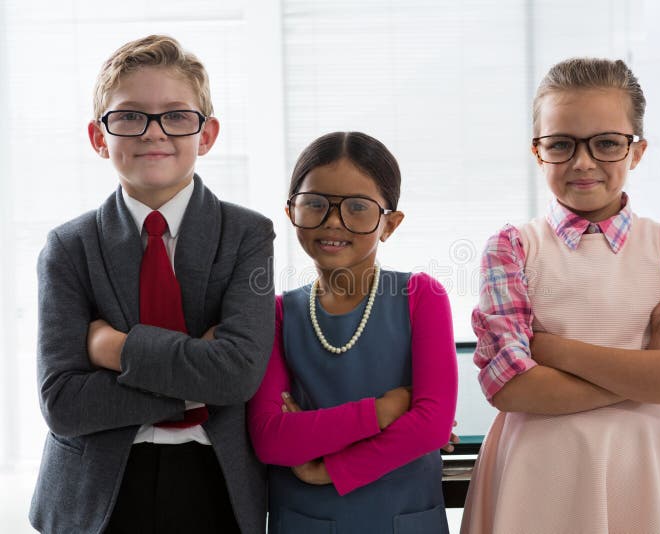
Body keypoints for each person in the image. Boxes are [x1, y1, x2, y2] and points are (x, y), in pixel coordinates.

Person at [461, 58, 660, 534]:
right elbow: (511, 388)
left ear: (637, 151)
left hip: (644, 471)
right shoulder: (511, 248)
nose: (583, 162)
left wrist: (550, 349)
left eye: (606, 143)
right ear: (538, 152)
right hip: (537, 474)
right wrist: (648, 366)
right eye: (561, 144)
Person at [29, 35, 275, 534]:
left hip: (216, 486)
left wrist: (116, 350)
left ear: (207, 135)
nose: (154, 132)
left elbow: (237, 376)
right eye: (129, 116)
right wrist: (196, 389)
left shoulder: (247, 234)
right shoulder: (69, 247)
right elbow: (64, 403)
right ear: (100, 137)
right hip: (97, 492)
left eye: (177, 116)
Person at [247, 131, 458, 533]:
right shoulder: (277, 313)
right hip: (304, 521)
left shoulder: (421, 296)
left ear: (389, 224)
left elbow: (431, 425)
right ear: (291, 211)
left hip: (403, 517)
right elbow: (271, 438)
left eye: (357, 207)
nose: (332, 221)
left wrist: (327, 468)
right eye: (315, 203)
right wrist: (385, 411)